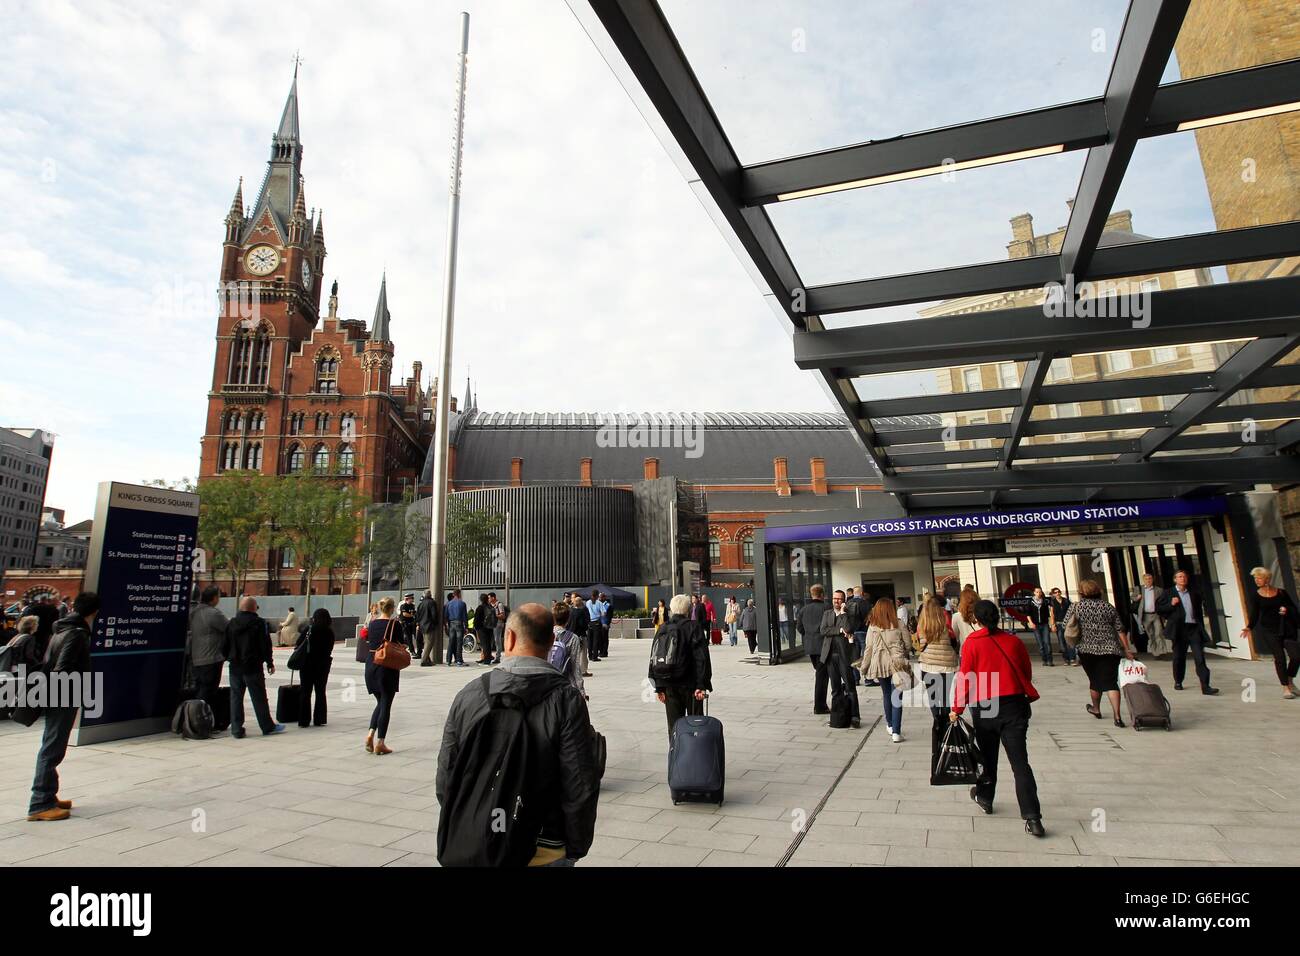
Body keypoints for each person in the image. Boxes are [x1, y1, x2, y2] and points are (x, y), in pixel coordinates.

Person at [436, 603, 600, 866]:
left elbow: (446, 775)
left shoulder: (470, 694)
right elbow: (579, 782)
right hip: (544, 849)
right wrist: (575, 846)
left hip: (474, 847)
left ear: (508, 637)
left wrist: (469, 822)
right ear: (551, 642)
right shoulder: (567, 700)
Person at [951, 599, 1045, 837]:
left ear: (976, 619)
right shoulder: (1013, 641)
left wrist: (957, 708)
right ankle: (1033, 817)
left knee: (987, 756)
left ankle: (985, 797)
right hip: (1013, 703)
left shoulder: (972, 643)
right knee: (1020, 763)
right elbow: (1026, 671)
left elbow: (966, 677)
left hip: (986, 705)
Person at [27, 591, 99, 821]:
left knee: (52, 745)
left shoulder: (61, 628)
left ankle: (49, 795)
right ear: (94, 612)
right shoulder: (77, 633)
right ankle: (40, 803)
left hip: (53, 693)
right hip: (63, 697)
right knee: (52, 748)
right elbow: (63, 667)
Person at [1065, 579, 1136, 727]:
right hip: (1110, 649)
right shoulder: (1108, 607)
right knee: (1111, 682)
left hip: (1086, 649)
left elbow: (1066, 624)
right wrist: (1127, 649)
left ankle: (1096, 708)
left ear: (1081, 592)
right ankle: (1117, 716)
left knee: (1095, 680)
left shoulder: (1076, 607)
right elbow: (1120, 629)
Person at [650, 594, 712, 739]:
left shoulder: (663, 628)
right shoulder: (693, 627)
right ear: (688, 610)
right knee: (695, 726)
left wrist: (659, 687)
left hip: (668, 685)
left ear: (671, 609)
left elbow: (653, 656)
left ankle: (676, 756)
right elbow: (701, 658)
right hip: (691, 685)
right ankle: (695, 756)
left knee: (674, 727)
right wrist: (701, 685)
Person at [224, 596, 285, 738]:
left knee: (236, 698)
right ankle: (266, 726)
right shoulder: (259, 623)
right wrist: (269, 662)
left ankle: (237, 729)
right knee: (259, 697)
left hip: (235, 667)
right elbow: (265, 645)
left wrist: (230, 658)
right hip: (253, 667)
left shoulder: (231, 623)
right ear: (253, 608)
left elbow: (224, 645)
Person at [1157, 570, 1220, 695]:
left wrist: (1201, 626)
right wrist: (1171, 604)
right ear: (1175, 579)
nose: (1183, 579)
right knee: (1179, 657)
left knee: (1200, 657)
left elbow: (1198, 611)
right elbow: (1159, 608)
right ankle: (1178, 681)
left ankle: (1205, 685)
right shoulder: (1168, 593)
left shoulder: (1194, 593)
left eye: (1184, 576)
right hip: (1179, 629)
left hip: (1193, 629)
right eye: (1180, 577)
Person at [1241, 566, 1300, 699]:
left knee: (1296, 656)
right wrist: (1249, 627)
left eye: (1259, 578)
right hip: (1269, 630)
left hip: (1286, 628)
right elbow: (1255, 613)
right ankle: (1285, 687)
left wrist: (1286, 609)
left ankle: (1290, 680)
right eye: (1255, 578)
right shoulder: (1256, 596)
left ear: (1267, 579)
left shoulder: (1281, 593)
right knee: (1280, 658)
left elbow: (1293, 608)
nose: (1256, 580)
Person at [917, 597, 959, 773]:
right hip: (947, 665)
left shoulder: (923, 625)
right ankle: (948, 723)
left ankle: (938, 724)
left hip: (929, 665)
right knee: (946, 696)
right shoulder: (945, 622)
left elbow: (920, 645)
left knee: (934, 698)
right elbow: (953, 639)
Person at [864, 598, 909, 742]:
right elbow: (908, 644)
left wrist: (864, 667)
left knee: (886, 694)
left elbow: (868, 648)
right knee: (897, 696)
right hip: (898, 663)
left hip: (880, 663)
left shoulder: (873, 626)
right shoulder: (899, 623)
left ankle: (889, 725)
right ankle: (896, 732)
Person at [364, 596, 401, 754]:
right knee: (386, 703)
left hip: (371, 664)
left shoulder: (372, 624)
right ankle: (380, 742)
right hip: (387, 666)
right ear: (392, 608)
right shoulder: (394, 624)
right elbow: (401, 642)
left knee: (380, 702)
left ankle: (370, 733)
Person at [820, 590, 861, 729]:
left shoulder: (848, 614)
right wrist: (838, 631)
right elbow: (823, 630)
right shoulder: (827, 614)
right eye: (834, 598)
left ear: (843, 600)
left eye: (839, 599)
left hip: (845, 656)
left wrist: (843, 614)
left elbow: (848, 628)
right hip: (830, 656)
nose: (836, 601)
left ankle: (855, 717)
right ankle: (837, 716)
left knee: (850, 687)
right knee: (835, 688)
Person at [186, 585, 228, 712]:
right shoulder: (213, 613)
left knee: (198, 688)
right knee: (208, 691)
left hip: (196, 657)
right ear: (214, 598)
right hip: (211, 658)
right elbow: (229, 629)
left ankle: (193, 718)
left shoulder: (194, 612)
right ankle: (199, 718)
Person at [294, 607, 335, 727]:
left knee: (305, 692)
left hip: (307, 664)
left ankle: (304, 720)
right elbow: (330, 648)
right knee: (320, 691)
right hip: (323, 665)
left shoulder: (309, 629)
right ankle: (319, 718)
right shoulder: (329, 632)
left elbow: (298, 644)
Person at [797, 584, 831, 714]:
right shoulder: (827, 608)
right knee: (822, 676)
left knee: (820, 673)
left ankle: (820, 705)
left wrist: (808, 636)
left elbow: (799, 628)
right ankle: (820, 706)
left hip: (810, 646)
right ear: (822, 595)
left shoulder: (804, 610)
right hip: (824, 646)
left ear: (811, 595)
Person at [550, 601, 587, 698]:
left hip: (547, 683)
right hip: (566, 684)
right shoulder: (573, 638)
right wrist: (581, 690)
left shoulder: (545, 634)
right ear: (568, 618)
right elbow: (575, 666)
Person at [1131, 573, 1168, 657]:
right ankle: (1155, 653)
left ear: (1152, 580)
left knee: (1159, 633)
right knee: (1150, 634)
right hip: (1145, 615)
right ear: (1143, 580)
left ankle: (1162, 652)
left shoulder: (1158, 590)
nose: (1148, 580)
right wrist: (1137, 598)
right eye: (1146, 579)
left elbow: (1163, 601)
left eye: (1150, 579)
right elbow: (1132, 597)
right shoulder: (1139, 589)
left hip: (1156, 615)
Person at [19, 595, 58, 660]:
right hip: (46, 634)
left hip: (32, 632)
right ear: (46, 600)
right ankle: (40, 664)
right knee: (43, 651)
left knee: (27, 652)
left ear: (40, 600)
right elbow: (54, 623)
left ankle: (28, 667)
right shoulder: (53, 609)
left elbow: (27, 621)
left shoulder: (32, 608)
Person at [1048, 587, 1077, 665]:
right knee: (1061, 642)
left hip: (1067, 624)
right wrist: (1052, 625)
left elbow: (1071, 611)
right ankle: (1066, 659)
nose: (1057, 594)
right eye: (1055, 592)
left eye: (1058, 592)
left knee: (1069, 641)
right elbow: (1052, 614)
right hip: (1059, 624)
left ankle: (1072, 659)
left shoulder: (1066, 601)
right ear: (1053, 594)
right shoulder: (1053, 602)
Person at [1026, 587, 1054, 667]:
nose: (1039, 593)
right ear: (1034, 593)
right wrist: (1031, 623)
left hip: (1044, 624)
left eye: (1040, 592)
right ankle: (1044, 659)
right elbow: (1028, 614)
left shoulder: (1045, 602)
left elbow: (1048, 614)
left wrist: (1051, 623)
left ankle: (1049, 660)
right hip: (1036, 625)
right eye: (1037, 592)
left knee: (1047, 642)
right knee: (1041, 644)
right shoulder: (1030, 602)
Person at [417, 590, 442, 666]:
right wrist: (435, 623)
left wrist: (419, 624)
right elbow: (434, 614)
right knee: (429, 644)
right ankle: (424, 660)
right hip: (429, 625)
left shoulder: (421, 604)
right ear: (430, 595)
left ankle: (427, 660)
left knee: (426, 643)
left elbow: (418, 615)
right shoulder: (432, 603)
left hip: (422, 626)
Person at [444, 590, 467, 666]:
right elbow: (464, 616)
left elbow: (446, 615)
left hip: (451, 623)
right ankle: (458, 660)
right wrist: (466, 626)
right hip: (459, 623)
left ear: (453, 595)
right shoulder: (462, 603)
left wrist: (447, 624)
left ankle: (448, 660)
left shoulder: (448, 604)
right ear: (459, 594)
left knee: (451, 642)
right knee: (459, 642)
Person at [473, 593, 495, 665]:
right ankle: (488, 659)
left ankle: (486, 660)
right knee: (488, 644)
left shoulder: (480, 607)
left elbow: (476, 619)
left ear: (481, 599)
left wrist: (476, 627)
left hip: (482, 628)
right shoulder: (490, 607)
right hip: (490, 627)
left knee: (484, 644)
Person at [490, 592, 508, 665]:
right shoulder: (492, 605)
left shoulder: (499, 605)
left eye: (489, 597)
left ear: (493, 598)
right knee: (495, 640)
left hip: (498, 624)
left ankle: (498, 657)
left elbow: (503, 616)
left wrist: (495, 615)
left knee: (497, 640)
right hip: (493, 624)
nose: (488, 599)